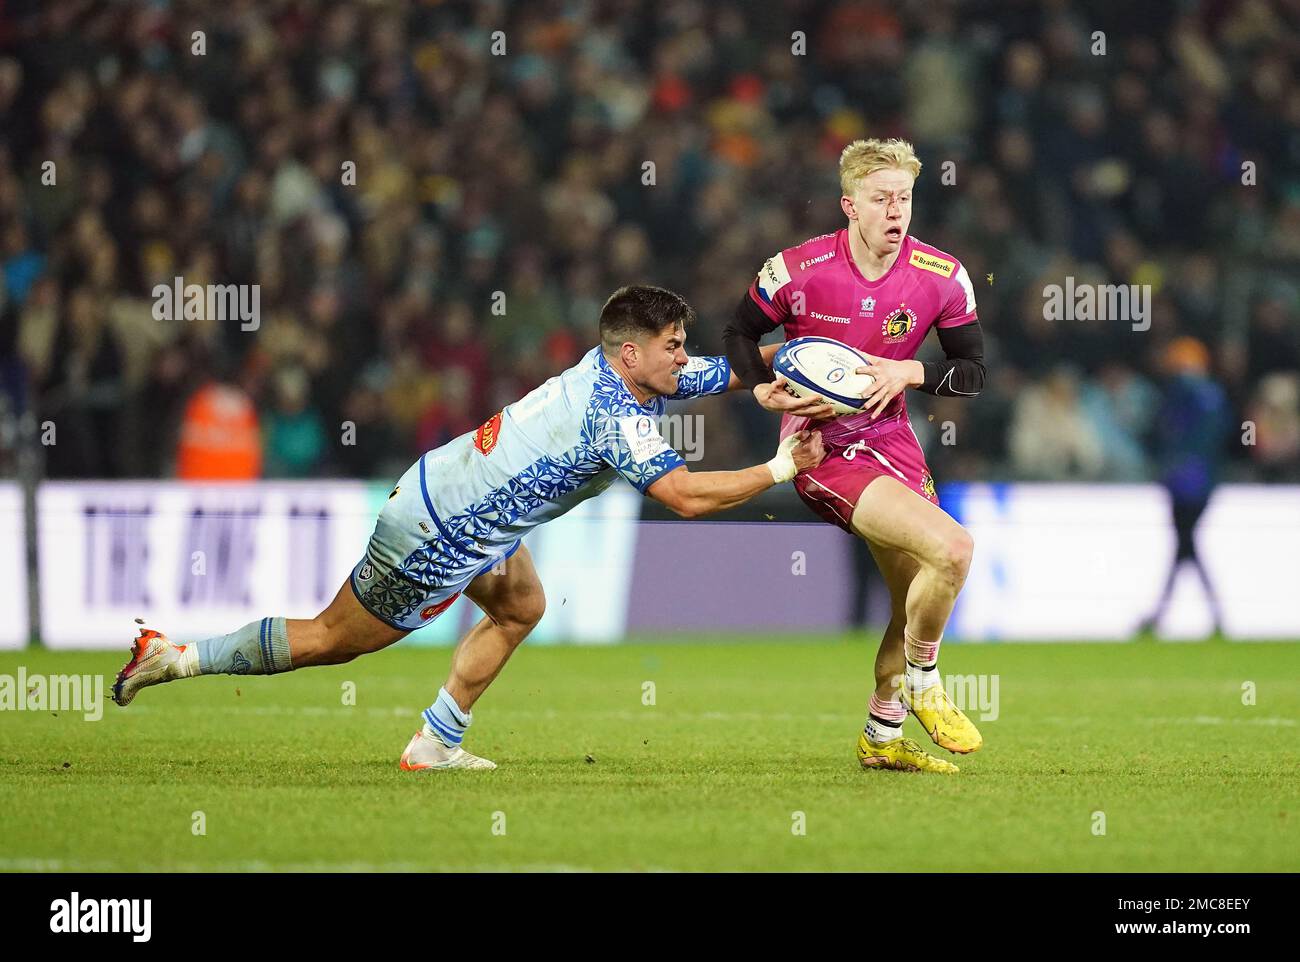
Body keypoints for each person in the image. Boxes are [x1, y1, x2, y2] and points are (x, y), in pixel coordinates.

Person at [112, 285, 826, 769]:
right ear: (632, 354)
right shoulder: (613, 412)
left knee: (522, 605)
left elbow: (724, 372)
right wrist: (779, 468)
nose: (683, 354)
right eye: (673, 344)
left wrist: (808, 359)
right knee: (332, 639)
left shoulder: (627, 372)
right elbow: (685, 496)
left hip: (453, 495)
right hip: (439, 529)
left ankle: (436, 743)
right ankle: (175, 658)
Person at [724, 138, 985, 774]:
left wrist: (911, 373)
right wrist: (758, 388)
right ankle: (925, 682)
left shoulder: (942, 277)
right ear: (850, 205)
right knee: (952, 551)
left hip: (894, 441)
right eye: (881, 199)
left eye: (905, 199)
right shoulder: (796, 269)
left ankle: (882, 734)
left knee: (913, 596)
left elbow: (972, 372)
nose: (896, 212)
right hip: (821, 448)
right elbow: (739, 334)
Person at [1139, 337, 1231, 637]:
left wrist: (1169, 469)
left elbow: (1166, 435)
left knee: (1185, 544)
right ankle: (1205, 613)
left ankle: (1164, 614)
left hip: (1185, 482)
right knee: (1186, 546)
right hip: (1200, 480)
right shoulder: (1211, 394)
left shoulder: (1182, 393)